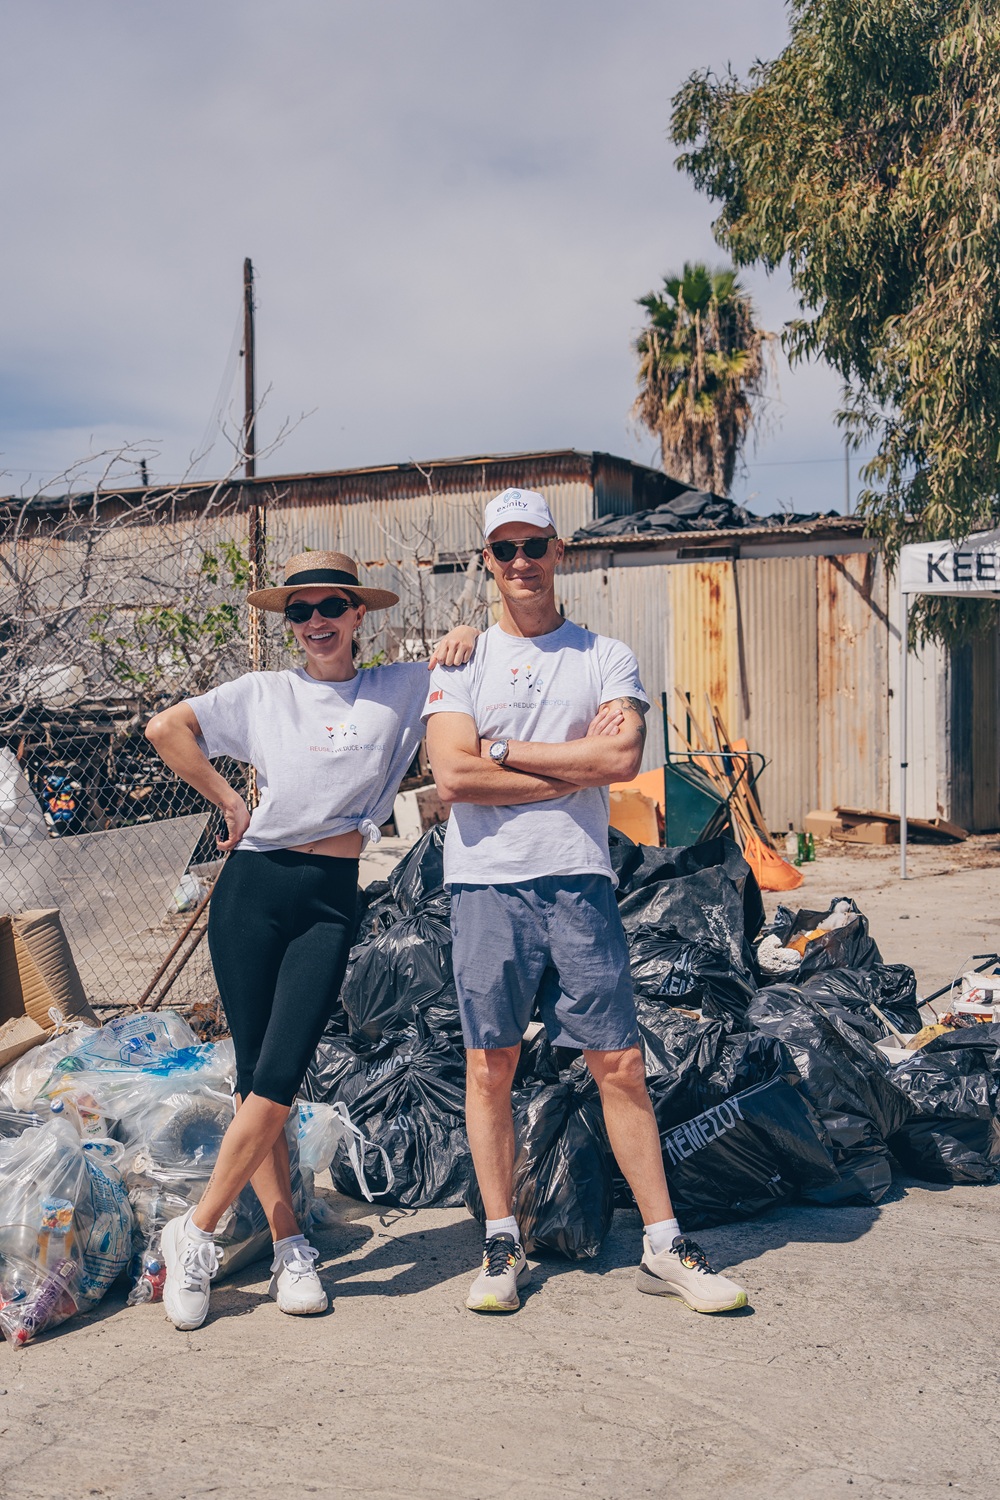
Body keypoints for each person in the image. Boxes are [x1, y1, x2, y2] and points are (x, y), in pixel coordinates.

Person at [424, 488, 747, 1315]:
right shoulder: (461, 662)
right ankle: (502, 1243)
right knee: (490, 1066)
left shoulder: (605, 655)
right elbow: (452, 775)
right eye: (505, 549)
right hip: (486, 886)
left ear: (558, 551)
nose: (521, 562)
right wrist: (566, 768)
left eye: (534, 545)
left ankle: (664, 1245)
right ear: (487, 561)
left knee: (620, 1063)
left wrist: (502, 751)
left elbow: (622, 758)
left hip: (577, 881)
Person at [145, 549, 479, 1331]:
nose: (316, 621)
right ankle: (290, 1243)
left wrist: (469, 631)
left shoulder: (401, 686)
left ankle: (196, 1231)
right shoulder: (263, 693)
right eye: (299, 611)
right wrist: (229, 799)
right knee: (255, 1079)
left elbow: (489, 661)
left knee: (280, 1081)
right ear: (288, 623)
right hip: (252, 891)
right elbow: (166, 728)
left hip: (330, 898)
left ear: (360, 614)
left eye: (331, 606)